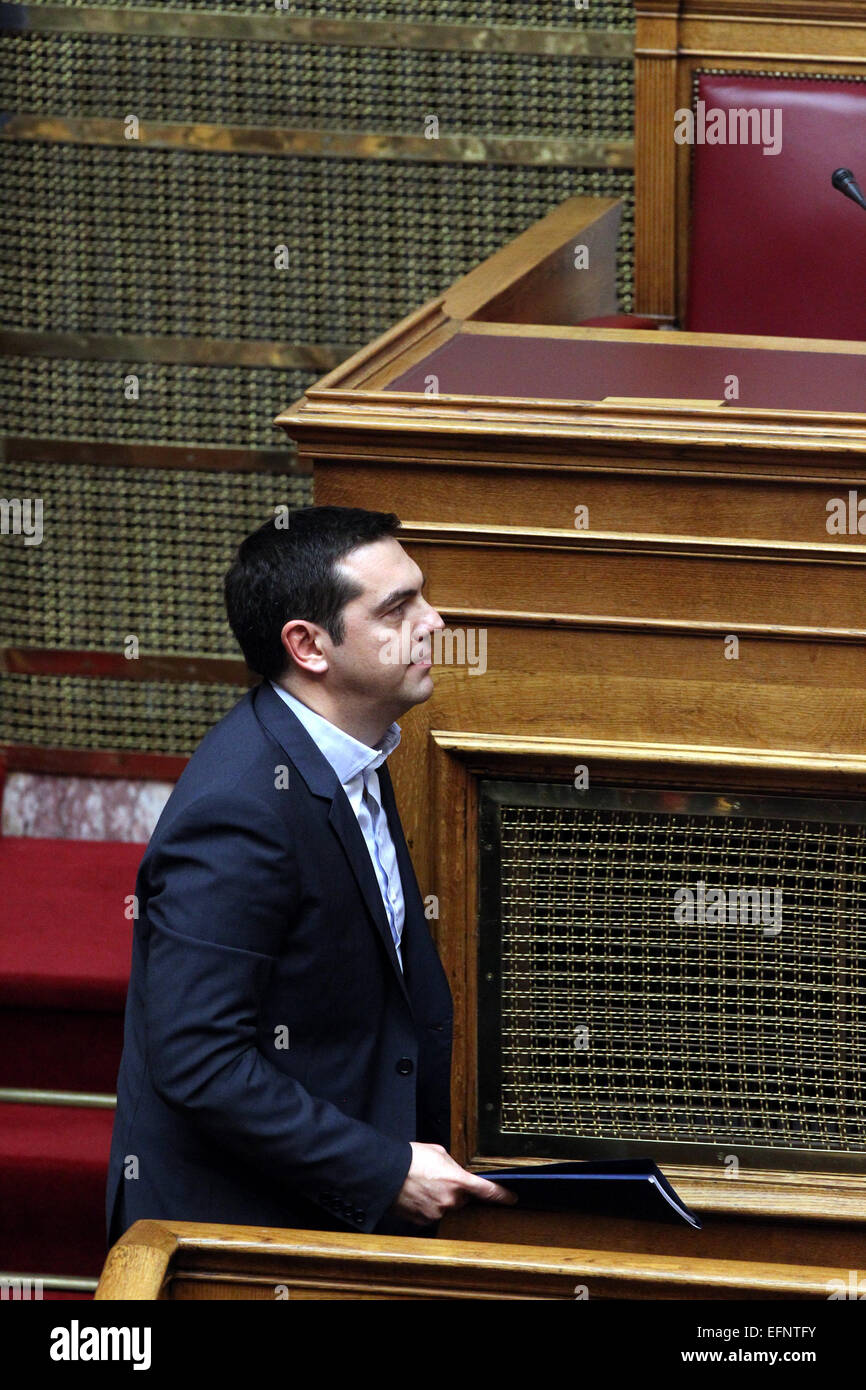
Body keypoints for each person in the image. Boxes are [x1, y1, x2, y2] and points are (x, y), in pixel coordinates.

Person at [106, 505, 515, 1246]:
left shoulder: (352, 746)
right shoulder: (240, 809)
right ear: (309, 645)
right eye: (397, 608)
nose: (434, 622)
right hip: (237, 1237)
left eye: (422, 595)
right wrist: (383, 1168)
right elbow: (201, 1063)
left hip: (328, 1217)